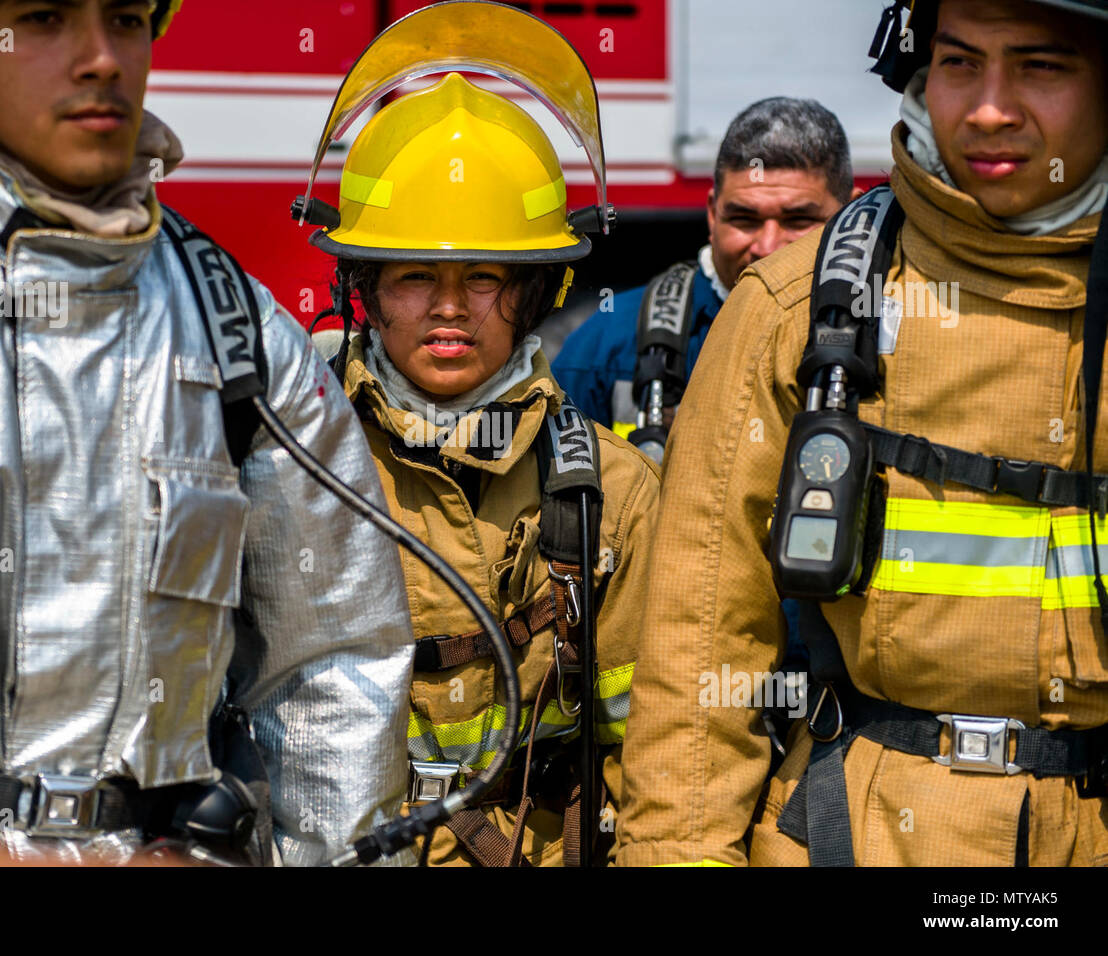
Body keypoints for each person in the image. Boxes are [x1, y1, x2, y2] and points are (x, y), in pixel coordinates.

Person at [0, 0, 415, 866]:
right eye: (46, 16)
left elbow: (334, 673)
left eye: (126, 16)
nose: (101, 58)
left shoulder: (238, 333)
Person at [618, 0, 1108, 867]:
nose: (990, 108)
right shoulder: (790, 311)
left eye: (1041, 66)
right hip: (860, 834)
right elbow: (702, 647)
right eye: (960, 63)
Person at [297, 2, 660, 866]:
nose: (452, 308)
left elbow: (661, 749)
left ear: (534, 292)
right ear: (366, 290)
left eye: (487, 277)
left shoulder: (608, 489)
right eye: (417, 275)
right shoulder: (296, 467)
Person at [552, 98, 858, 463]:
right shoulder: (608, 342)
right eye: (744, 219)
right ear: (712, 215)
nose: (768, 247)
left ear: (849, 217)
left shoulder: (891, 335)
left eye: (797, 221)